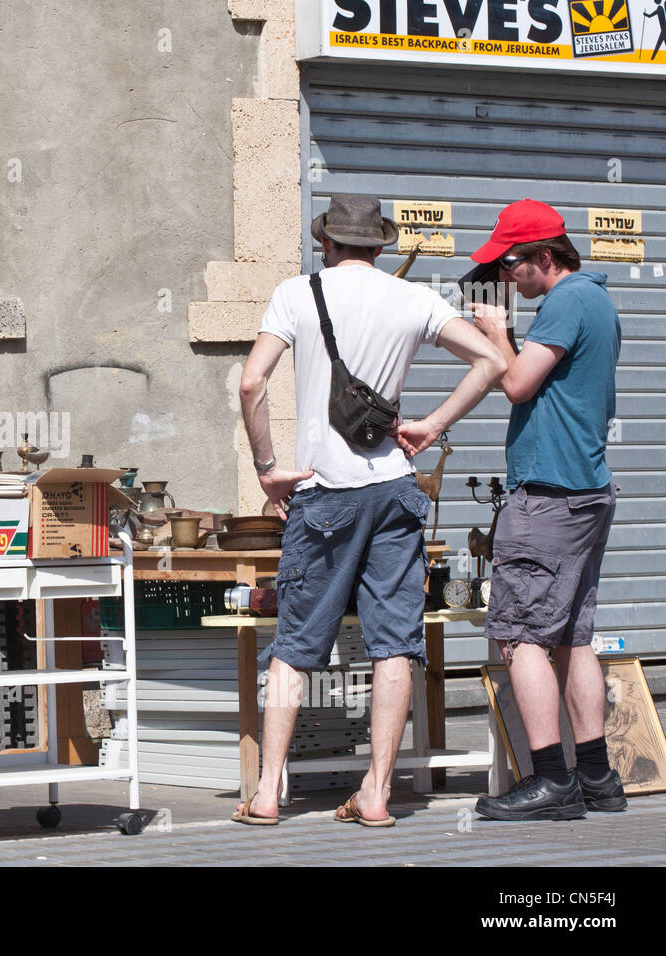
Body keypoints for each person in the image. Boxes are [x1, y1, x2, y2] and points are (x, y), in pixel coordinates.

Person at [233, 194, 505, 826]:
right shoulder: (413, 300)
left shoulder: (297, 293)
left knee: (296, 646)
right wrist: (432, 424)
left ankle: (269, 793)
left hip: (323, 492)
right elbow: (491, 362)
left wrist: (269, 470)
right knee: (394, 647)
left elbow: (251, 382)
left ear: (326, 242)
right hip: (394, 491)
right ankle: (378, 792)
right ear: (380, 246)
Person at [466, 199, 624, 820]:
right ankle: (596, 776)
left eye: (510, 265)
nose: (505, 278)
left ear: (545, 257)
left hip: (549, 496)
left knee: (521, 635)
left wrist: (496, 334)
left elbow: (516, 384)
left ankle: (551, 780)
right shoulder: (598, 300)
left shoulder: (564, 302)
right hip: (586, 490)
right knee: (573, 636)